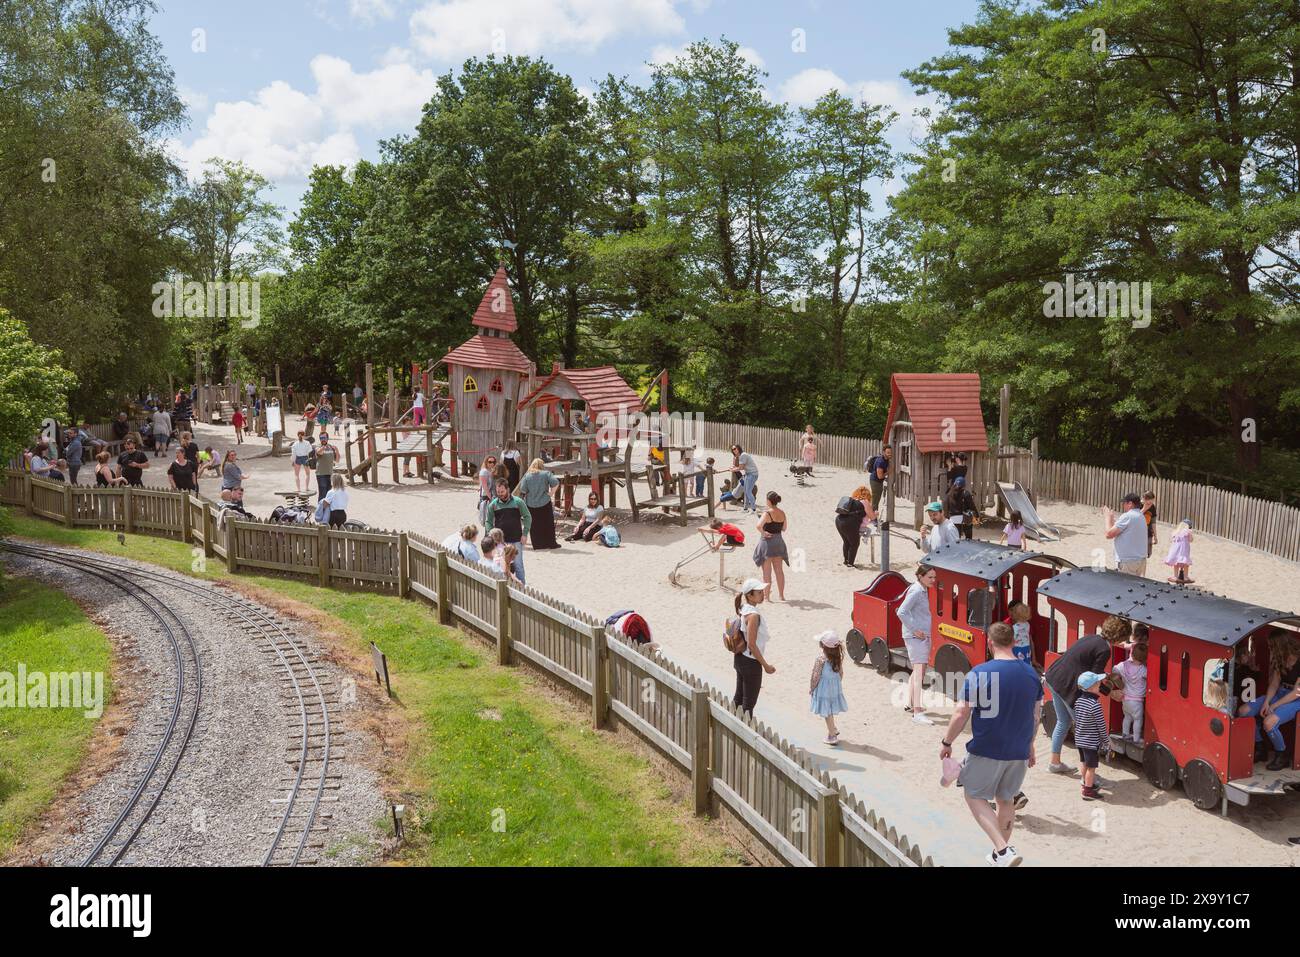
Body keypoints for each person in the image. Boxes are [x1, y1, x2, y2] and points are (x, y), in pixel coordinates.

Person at [940, 622, 1042, 866]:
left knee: (973, 795)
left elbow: (961, 712)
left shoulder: (980, 672)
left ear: (989, 643)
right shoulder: (1031, 674)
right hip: (1018, 748)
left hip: (987, 746)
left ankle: (1003, 849)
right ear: (1015, 643)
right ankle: (999, 856)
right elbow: (1036, 715)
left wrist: (947, 741)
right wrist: (1030, 744)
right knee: (1006, 799)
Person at [1043, 614, 1130, 774]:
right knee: (1086, 731)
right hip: (1067, 685)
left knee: (1063, 722)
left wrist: (1104, 676)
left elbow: (1086, 666)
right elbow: (1093, 681)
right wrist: (1111, 693)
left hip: (1054, 677)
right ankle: (1089, 776)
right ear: (1119, 637)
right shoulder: (1104, 650)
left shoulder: (1092, 638)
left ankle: (1054, 763)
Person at [1236, 629, 1300, 770]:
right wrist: (1266, 702)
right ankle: (1260, 748)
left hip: (1296, 699)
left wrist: (1274, 705)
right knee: (1244, 711)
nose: (1270, 649)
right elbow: (1275, 684)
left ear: (1280, 645)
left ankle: (1281, 754)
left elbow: (1297, 692)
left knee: (1269, 722)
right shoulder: (1280, 658)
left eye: (1271, 646)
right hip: (1280, 692)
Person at [897, 565, 938, 725]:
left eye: (934, 577)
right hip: (916, 637)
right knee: (919, 672)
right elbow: (901, 611)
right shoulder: (916, 591)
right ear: (920, 576)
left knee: (917, 671)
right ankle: (917, 711)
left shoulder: (921, 589)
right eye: (930, 577)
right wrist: (915, 630)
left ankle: (910, 703)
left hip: (919, 635)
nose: (933, 580)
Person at [1073, 671, 1123, 801]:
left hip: (1079, 739)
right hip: (1090, 742)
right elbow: (1101, 726)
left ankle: (1084, 783)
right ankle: (1088, 791)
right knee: (1091, 768)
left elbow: (1076, 720)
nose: (1101, 684)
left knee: (1084, 763)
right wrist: (1106, 742)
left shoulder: (1078, 701)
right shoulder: (1095, 705)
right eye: (1098, 683)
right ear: (1092, 687)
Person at [732, 578, 776, 716]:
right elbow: (752, 644)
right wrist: (766, 666)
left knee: (738, 698)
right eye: (759, 592)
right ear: (750, 596)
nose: (763, 594)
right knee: (748, 704)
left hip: (740, 658)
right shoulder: (753, 615)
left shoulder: (743, 608)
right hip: (750, 663)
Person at [484, 478, 530, 582]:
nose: (500, 494)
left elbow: (527, 517)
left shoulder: (518, 502)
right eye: (498, 492)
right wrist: (492, 534)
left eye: (502, 491)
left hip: (516, 539)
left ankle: (522, 588)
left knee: (518, 565)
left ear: (507, 489)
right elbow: (488, 521)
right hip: (500, 542)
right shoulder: (493, 504)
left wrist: (525, 533)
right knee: (501, 565)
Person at [809, 630, 847, 745]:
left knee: (827, 712)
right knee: (829, 709)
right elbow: (841, 673)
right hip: (834, 688)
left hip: (824, 689)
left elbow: (815, 675)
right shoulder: (837, 657)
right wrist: (837, 684)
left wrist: (812, 688)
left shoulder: (821, 659)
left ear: (823, 645)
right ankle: (833, 728)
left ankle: (832, 736)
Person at [753, 491, 788, 601]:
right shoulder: (782, 513)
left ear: (769, 501)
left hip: (767, 544)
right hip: (778, 542)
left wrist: (764, 533)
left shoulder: (767, 513)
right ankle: (781, 596)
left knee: (767, 573)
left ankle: (767, 597)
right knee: (779, 571)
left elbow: (758, 526)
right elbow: (784, 528)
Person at [518, 458, 561, 549]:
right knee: (548, 523)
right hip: (544, 501)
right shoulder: (546, 474)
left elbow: (523, 490)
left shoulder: (527, 476)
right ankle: (551, 543)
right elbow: (556, 482)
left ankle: (538, 544)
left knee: (534, 525)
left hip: (531, 503)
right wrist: (551, 493)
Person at [1103, 492, 1148, 575]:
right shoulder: (1140, 515)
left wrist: (1107, 517)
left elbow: (1108, 534)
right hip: (1139, 560)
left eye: (1124, 503)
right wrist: (1112, 519)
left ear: (1130, 503)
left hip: (1128, 562)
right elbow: (1118, 531)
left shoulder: (1128, 516)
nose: (1123, 505)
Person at [1113, 643, 1149, 744]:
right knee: (1138, 719)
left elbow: (1114, 669)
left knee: (1127, 717)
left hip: (1125, 698)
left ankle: (1125, 734)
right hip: (1137, 701)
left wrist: (1118, 680)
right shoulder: (1143, 670)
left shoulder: (1124, 665)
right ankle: (1136, 738)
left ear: (1131, 654)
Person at [834, 487, 870, 567]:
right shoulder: (864, 502)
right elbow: (868, 516)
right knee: (854, 543)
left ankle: (846, 561)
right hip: (849, 524)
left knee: (846, 541)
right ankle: (850, 563)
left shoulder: (850, 502)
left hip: (838, 520)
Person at [944, 476, 976, 540]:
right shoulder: (966, 493)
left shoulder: (949, 494)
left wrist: (946, 518)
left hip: (953, 519)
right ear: (964, 485)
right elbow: (972, 506)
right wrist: (977, 516)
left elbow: (945, 507)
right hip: (965, 518)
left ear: (954, 484)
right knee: (968, 538)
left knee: (956, 540)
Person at [729, 444, 759, 512]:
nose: (734, 450)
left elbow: (741, 468)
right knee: (746, 492)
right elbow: (736, 465)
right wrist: (733, 466)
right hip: (748, 474)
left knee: (748, 492)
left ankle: (754, 509)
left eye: (735, 448)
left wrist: (733, 470)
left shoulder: (743, 455)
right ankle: (745, 509)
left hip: (752, 474)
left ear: (738, 448)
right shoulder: (740, 456)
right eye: (733, 449)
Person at [1164, 519, 1194, 584]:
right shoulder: (1188, 531)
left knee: (1176, 563)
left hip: (1175, 551)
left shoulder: (1176, 531)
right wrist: (1190, 534)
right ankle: (1186, 577)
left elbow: (1172, 540)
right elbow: (1191, 540)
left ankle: (1175, 576)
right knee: (1186, 564)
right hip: (1183, 551)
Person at [1006, 600, 1033, 664]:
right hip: (1027, 647)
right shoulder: (1027, 625)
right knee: (1026, 661)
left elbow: (1011, 639)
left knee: (1016, 662)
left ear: (1015, 615)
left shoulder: (1014, 627)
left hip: (1017, 648)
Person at [865, 445, 891, 511]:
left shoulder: (886, 459)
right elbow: (880, 476)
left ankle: (873, 516)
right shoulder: (880, 462)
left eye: (890, 452)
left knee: (876, 500)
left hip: (878, 481)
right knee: (875, 500)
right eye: (888, 452)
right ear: (883, 452)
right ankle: (873, 517)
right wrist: (888, 472)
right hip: (875, 482)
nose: (889, 454)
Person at [477, 455, 499, 526]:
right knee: (487, 518)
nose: (492, 463)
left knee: (492, 519)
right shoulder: (484, 471)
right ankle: (487, 535)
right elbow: (484, 486)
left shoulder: (490, 471)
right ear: (486, 462)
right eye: (490, 462)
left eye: (493, 462)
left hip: (491, 496)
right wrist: (490, 498)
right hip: (487, 496)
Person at [314, 435, 336, 502]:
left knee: (329, 493)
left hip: (330, 473)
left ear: (327, 438)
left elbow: (336, 459)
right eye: (321, 438)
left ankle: (328, 510)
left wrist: (336, 450)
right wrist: (323, 448)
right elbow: (318, 452)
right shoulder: (318, 446)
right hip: (321, 474)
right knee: (322, 494)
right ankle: (320, 510)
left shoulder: (331, 447)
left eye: (324, 438)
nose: (323, 439)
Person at [1141, 490, 1158, 558]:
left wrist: (1155, 536)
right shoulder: (1138, 505)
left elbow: (1153, 522)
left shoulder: (1152, 507)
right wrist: (1144, 509)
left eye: (1152, 501)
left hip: (1148, 531)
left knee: (1147, 553)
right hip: (1138, 531)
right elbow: (1134, 516)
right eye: (1150, 501)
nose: (1151, 503)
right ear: (1145, 499)